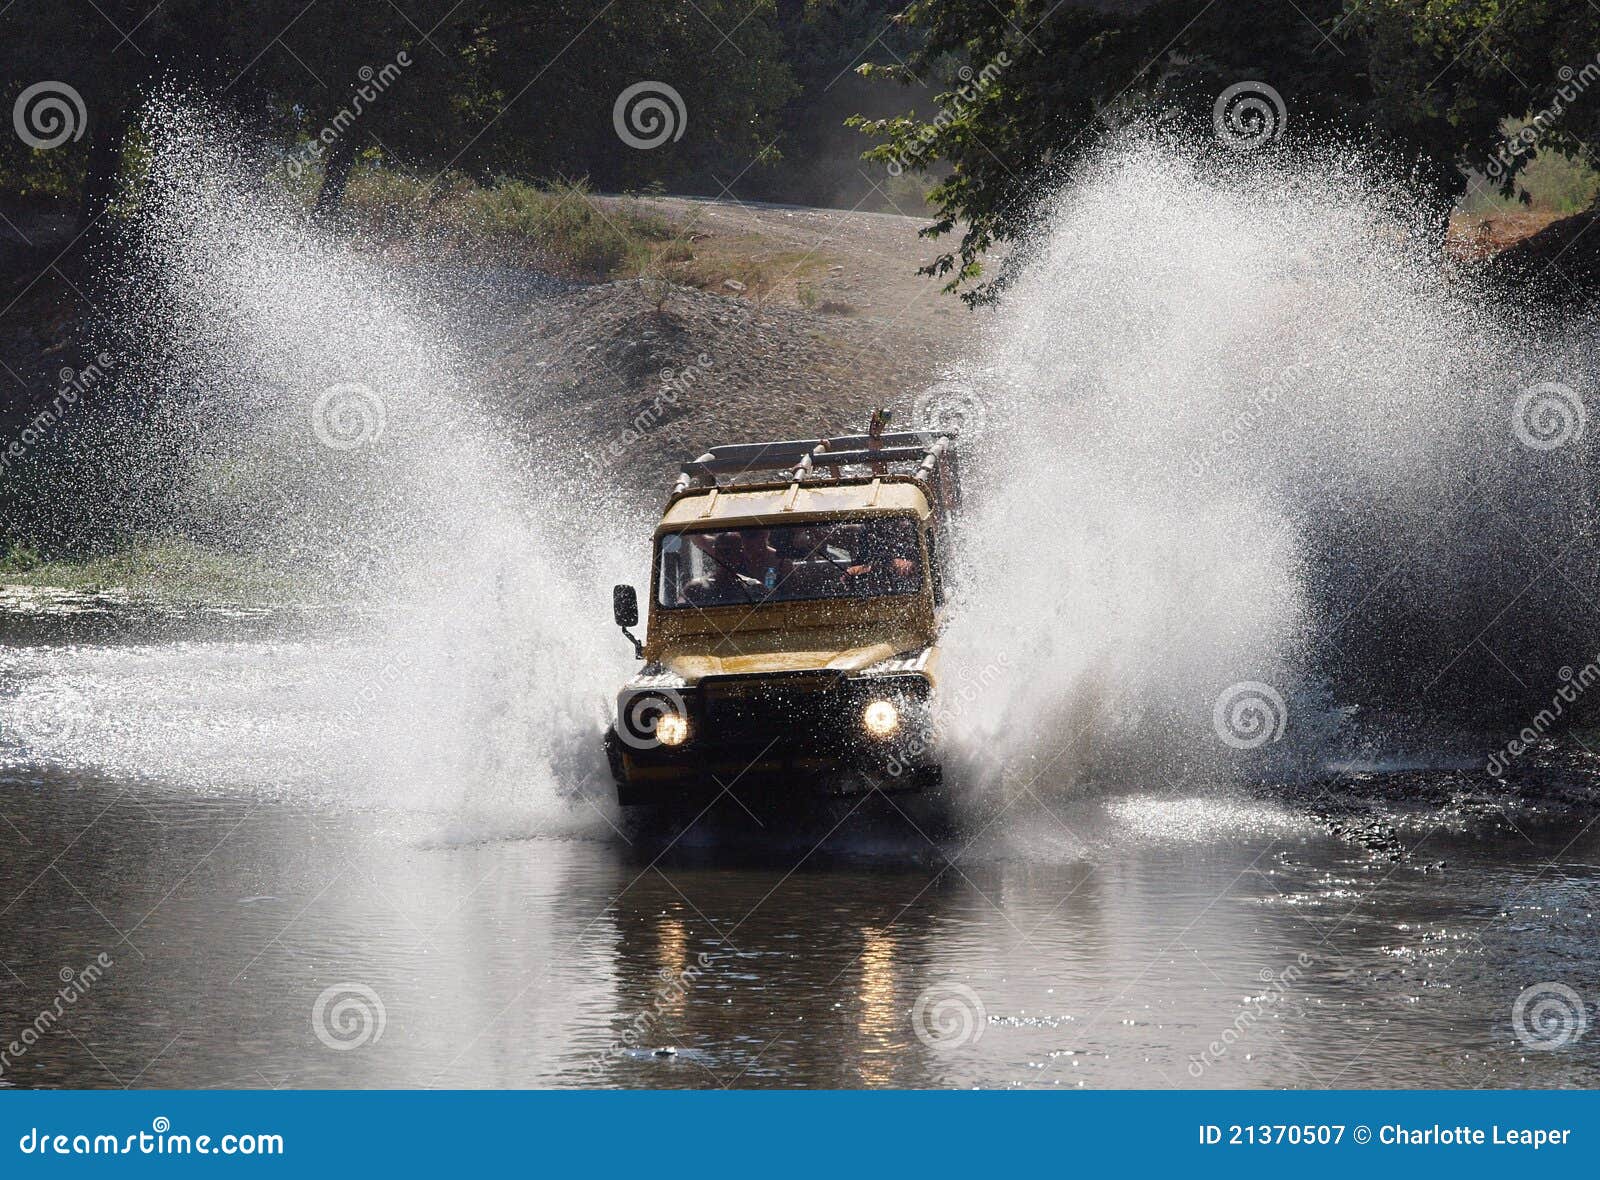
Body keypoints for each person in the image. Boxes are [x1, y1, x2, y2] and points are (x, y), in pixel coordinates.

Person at [681, 532, 761, 606]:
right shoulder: (695, 588)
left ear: (741, 555)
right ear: (716, 554)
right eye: (725, 551)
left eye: (735, 551)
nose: (729, 557)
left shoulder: (754, 587)